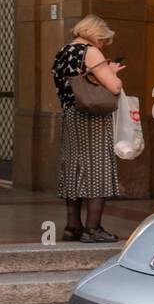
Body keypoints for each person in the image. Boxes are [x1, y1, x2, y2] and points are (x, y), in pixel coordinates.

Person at [50, 15, 125, 242]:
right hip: (92, 117)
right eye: (103, 40)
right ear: (95, 35)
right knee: (98, 168)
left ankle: (73, 226)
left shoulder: (62, 52)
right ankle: (93, 229)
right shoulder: (89, 51)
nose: (102, 45)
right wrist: (111, 71)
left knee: (75, 168)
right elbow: (114, 86)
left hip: (71, 115)